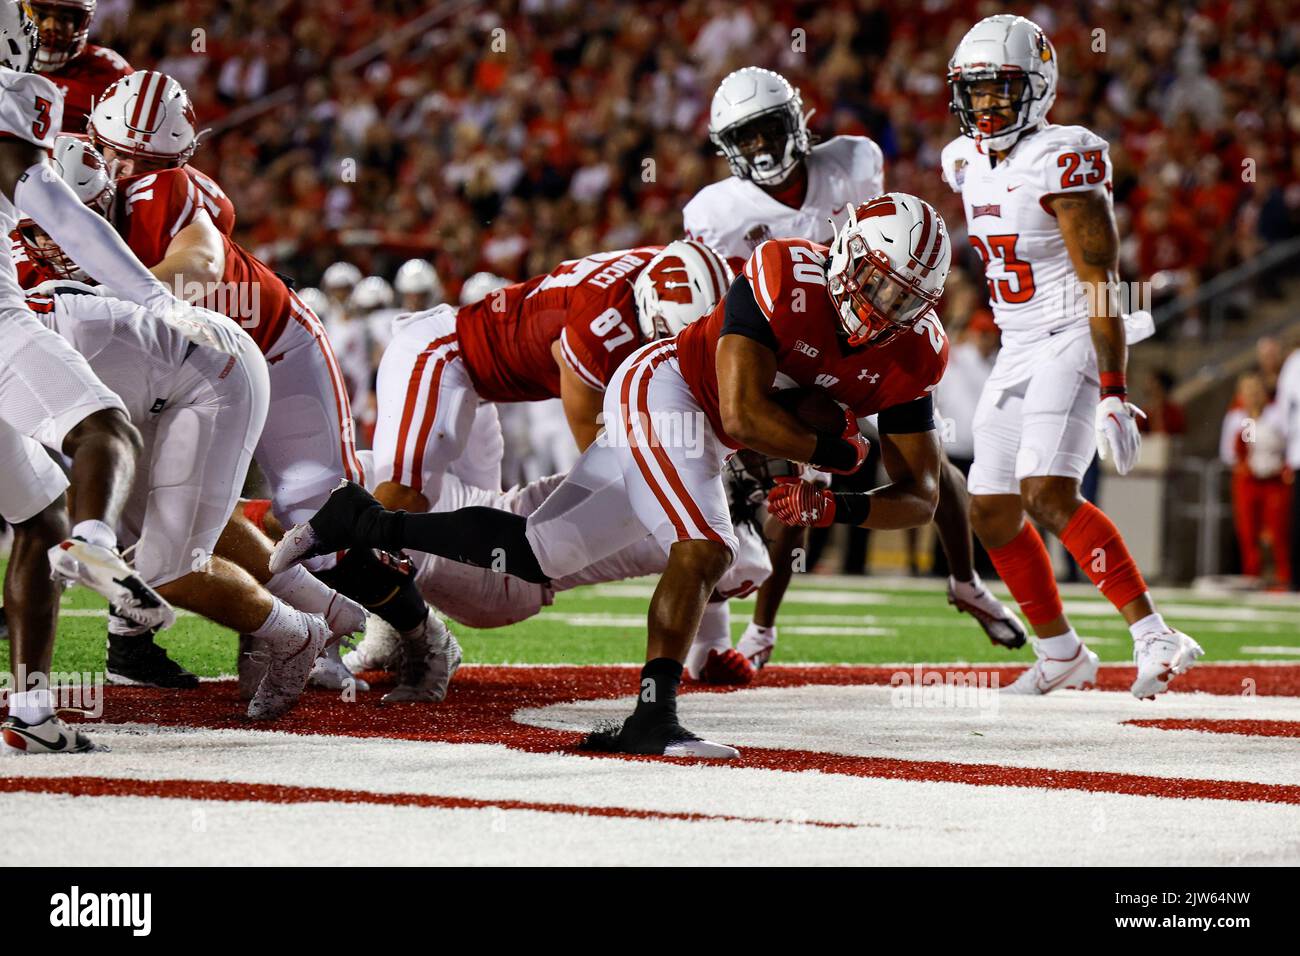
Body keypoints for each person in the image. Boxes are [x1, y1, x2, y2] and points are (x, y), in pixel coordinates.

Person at [271, 192, 953, 759]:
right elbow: (743, 413)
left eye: (903, 297)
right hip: (666, 391)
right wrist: (845, 456)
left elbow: (921, 496)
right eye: (874, 280)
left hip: (708, 434)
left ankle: (363, 520)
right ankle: (651, 719)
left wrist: (837, 509)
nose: (881, 305)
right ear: (844, 254)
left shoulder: (915, 357)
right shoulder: (782, 273)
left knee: (535, 553)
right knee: (708, 546)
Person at [81, 71, 437, 694]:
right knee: (167, 508)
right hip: (187, 369)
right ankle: (141, 642)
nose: (122, 168)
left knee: (315, 511)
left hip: (272, 348)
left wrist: (121, 301)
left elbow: (200, 266)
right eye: (116, 153)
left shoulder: (164, 187)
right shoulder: (63, 188)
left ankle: (419, 634)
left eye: (142, 159)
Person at [684, 66, 1022, 670]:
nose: (762, 148)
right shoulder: (717, 212)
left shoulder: (856, 163)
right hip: (784, 341)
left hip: (866, 323)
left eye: (767, 130)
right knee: (797, 474)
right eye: (747, 139)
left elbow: (893, 248)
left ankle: (966, 579)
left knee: (930, 463)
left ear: (796, 121)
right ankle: (759, 629)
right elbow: (723, 299)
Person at [0, 4, 239, 753]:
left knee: (39, 517)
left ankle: (33, 715)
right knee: (104, 427)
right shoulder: (16, 92)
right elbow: (64, 217)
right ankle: (97, 541)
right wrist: (153, 300)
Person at [941, 14, 1201, 697]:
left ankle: (1156, 635)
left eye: (1001, 89)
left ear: (1038, 87)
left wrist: (1114, 386)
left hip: (1072, 334)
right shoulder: (963, 159)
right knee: (990, 510)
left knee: (1046, 492)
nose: (987, 104)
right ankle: (1062, 654)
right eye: (977, 90)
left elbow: (1102, 283)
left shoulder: (1065, 156)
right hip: (1019, 344)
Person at [1221, 371, 1290, 588]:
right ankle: (1252, 577)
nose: (1252, 395)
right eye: (1247, 391)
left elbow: (1289, 444)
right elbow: (1228, 453)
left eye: (1256, 390)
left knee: (1279, 531)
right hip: (1247, 481)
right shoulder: (1237, 418)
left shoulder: (1277, 414)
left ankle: (1283, 578)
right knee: (1248, 532)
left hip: (1274, 480)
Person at [29, 0, 131, 132]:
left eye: (64, 19)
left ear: (82, 22)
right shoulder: (5, 61)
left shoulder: (112, 72)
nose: (51, 26)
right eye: (41, 16)